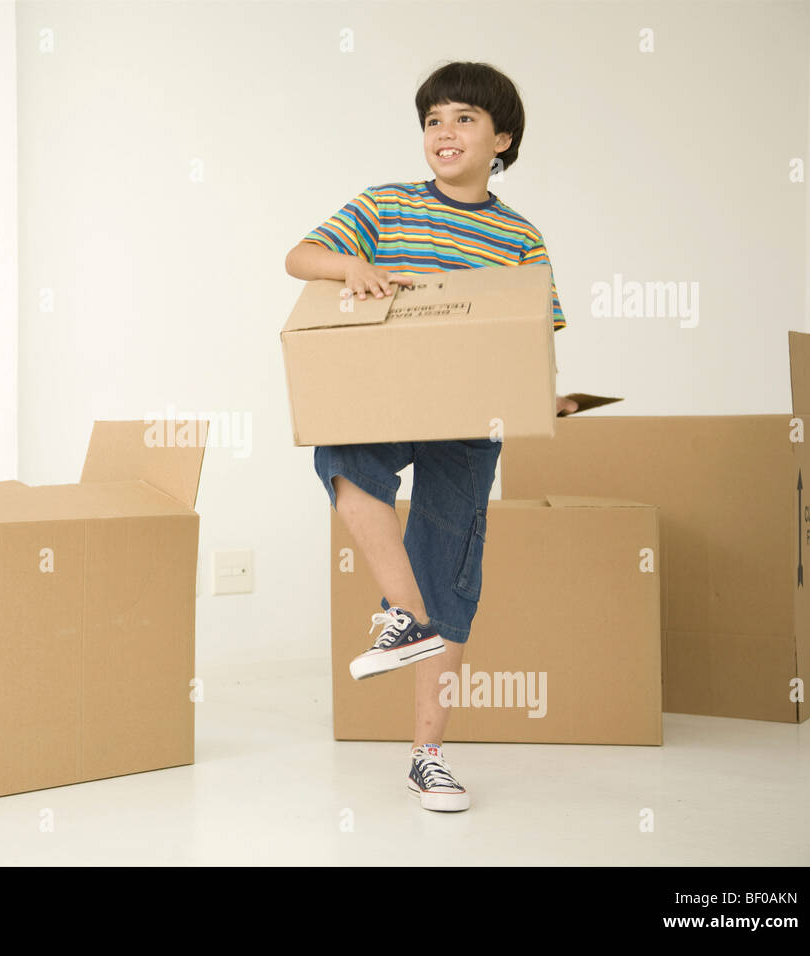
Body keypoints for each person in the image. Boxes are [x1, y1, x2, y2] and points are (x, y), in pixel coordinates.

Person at [284, 61, 575, 812]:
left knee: (451, 573)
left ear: (501, 139)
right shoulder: (385, 205)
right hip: (388, 399)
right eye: (433, 120)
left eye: (465, 120)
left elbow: (532, 336)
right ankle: (403, 615)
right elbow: (298, 258)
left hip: (472, 420)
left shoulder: (519, 236)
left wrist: (546, 397)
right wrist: (353, 266)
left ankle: (429, 756)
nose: (445, 133)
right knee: (343, 456)